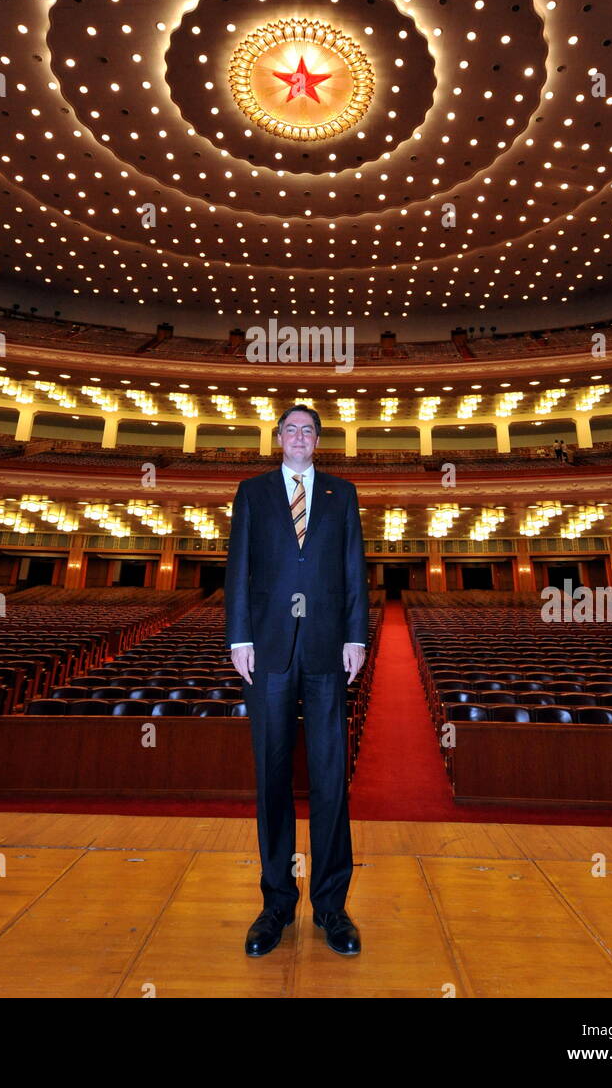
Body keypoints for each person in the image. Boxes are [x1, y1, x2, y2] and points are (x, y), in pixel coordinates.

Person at [225, 404, 368, 957]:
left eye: (309, 430)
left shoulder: (342, 492)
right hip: (267, 649)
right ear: (278, 438)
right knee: (272, 776)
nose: (300, 437)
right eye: (292, 429)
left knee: (332, 779)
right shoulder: (252, 492)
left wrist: (356, 635)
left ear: (318, 441)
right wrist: (239, 637)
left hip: (328, 647)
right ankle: (276, 904)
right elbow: (239, 565)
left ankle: (332, 905)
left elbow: (354, 564)